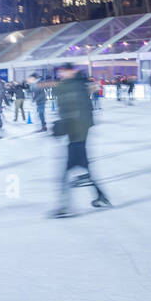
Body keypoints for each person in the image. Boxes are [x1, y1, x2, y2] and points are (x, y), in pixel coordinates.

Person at [50, 67, 110, 217]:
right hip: (75, 135)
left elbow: (83, 113)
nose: (61, 74)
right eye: (60, 72)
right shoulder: (68, 86)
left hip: (78, 135)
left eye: (64, 71)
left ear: (72, 72)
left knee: (66, 172)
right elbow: (67, 111)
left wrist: (68, 128)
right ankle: (101, 197)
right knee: (84, 170)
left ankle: (64, 207)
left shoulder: (76, 87)